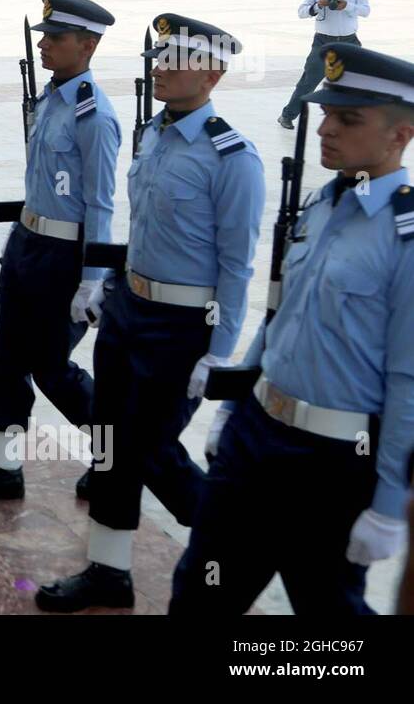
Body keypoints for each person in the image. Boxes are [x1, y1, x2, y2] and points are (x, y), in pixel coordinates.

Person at [171, 43, 414, 615]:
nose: (326, 127)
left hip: (334, 464)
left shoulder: (406, 237)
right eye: (326, 112)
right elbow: (277, 318)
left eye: (348, 119)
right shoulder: (319, 205)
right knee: (201, 593)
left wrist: (385, 505)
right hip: (255, 441)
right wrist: (233, 409)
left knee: (327, 616)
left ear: (399, 136)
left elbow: (408, 383)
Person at [36, 14, 265, 613]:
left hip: (183, 328)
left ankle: (227, 539)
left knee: (154, 450)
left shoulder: (232, 158)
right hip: (128, 310)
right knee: (109, 442)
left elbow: (237, 265)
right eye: (159, 56)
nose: (160, 66)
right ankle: (109, 571)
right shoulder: (154, 134)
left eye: (177, 59)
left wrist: (220, 349)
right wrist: (103, 283)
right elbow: (141, 227)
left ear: (213, 72)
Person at [0, 0, 119, 508]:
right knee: (4, 362)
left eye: (56, 38)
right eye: (43, 35)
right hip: (26, 245)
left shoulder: (94, 113)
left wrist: (93, 278)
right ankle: (4, 469)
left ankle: (112, 455)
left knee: (52, 369)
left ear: (87, 45)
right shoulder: (51, 97)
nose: (43, 45)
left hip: (64, 258)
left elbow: (102, 204)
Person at [279, 0, 370, 130]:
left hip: (349, 42)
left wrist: (347, 6)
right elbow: (301, 12)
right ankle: (287, 115)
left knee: (357, 82)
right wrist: (317, 6)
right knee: (308, 82)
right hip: (323, 43)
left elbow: (366, 11)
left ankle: (354, 121)